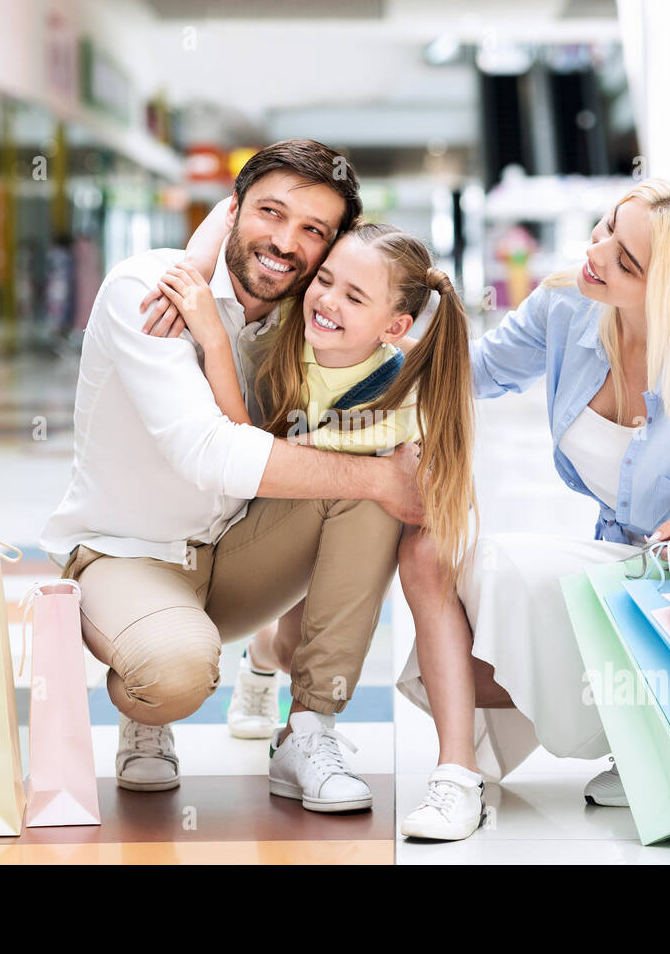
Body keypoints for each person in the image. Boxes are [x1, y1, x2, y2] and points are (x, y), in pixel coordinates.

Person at [392, 178, 670, 841]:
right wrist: (361, 351)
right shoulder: (567, 306)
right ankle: (465, 773)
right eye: (609, 226)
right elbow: (474, 372)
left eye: (627, 260)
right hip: (631, 566)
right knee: (451, 561)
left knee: (497, 569)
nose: (598, 251)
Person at [38, 140, 424, 815]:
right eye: (270, 212)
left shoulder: (305, 314)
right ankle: (146, 708)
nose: (285, 242)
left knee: (369, 481)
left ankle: (308, 730)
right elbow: (209, 453)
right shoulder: (148, 289)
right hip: (128, 555)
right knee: (174, 673)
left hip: (238, 554)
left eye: (313, 231)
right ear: (234, 209)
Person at [148, 220, 476, 803]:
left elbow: (265, 451)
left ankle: (308, 727)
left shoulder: (394, 398)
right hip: (225, 531)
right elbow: (241, 445)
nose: (325, 300)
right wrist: (200, 286)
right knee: (286, 635)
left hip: (298, 530)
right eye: (324, 279)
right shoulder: (282, 335)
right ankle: (260, 662)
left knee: (375, 495)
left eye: (355, 297)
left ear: (394, 327)